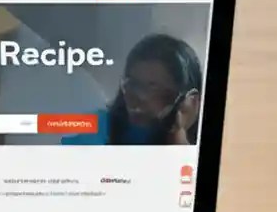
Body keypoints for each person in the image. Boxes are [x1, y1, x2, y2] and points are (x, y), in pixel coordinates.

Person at [61, 33, 203, 146]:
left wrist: (178, 138)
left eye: (153, 89)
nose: (139, 98)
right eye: (133, 85)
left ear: (190, 103)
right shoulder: (94, 130)